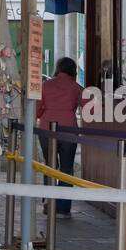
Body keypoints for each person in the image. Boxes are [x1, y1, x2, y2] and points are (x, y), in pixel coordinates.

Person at [36, 57, 83, 218]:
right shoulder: (76, 87)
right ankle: (63, 209)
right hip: (69, 129)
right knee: (66, 168)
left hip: (46, 128)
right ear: (73, 70)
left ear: (58, 68)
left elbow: (38, 109)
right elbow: (90, 106)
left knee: (49, 165)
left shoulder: (45, 85)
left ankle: (48, 204)